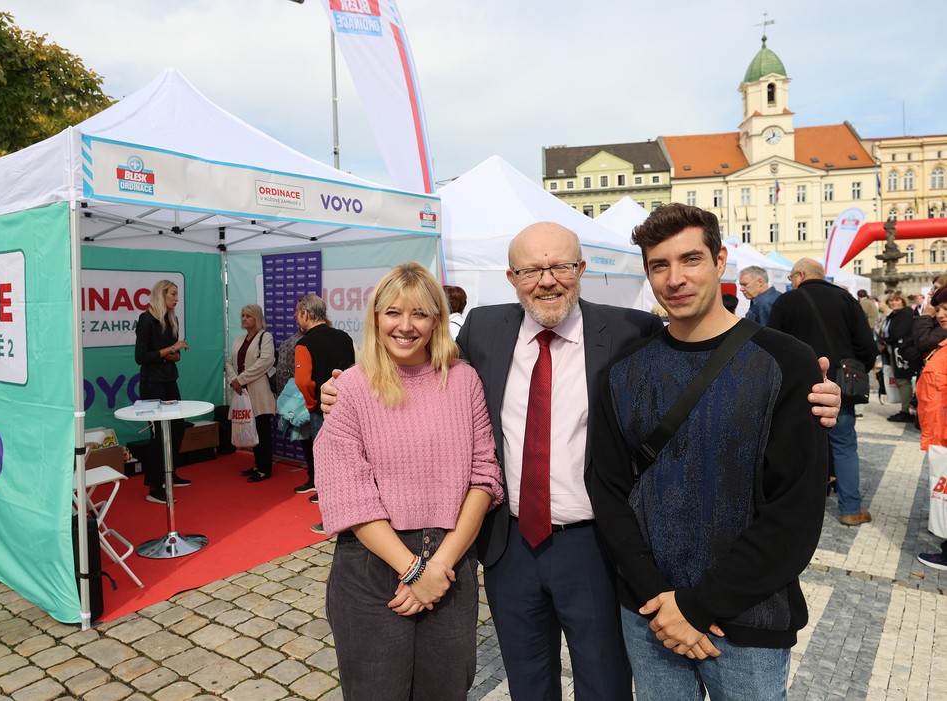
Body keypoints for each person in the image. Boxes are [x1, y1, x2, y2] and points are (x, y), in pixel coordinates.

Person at [321, 222, 841, 700]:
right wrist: (340, 387)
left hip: (594, 543)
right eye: (531, 270)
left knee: (604, 682)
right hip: (509, 545)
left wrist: (809, 387)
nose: (547, 281)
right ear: (512, 277)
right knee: (528, 681)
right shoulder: (483, 329)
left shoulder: (629, 329)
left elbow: (706, 350)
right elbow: (419, 363)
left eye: (561, 267)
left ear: (581, 270)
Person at [592, 203, 827, 701]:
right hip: (650, 614)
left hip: (746, 618)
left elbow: (795, 510)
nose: (675, 278)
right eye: (660, 265)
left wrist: (700, 605)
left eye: (690, 259)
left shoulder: (785, 361)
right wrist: (658, 599)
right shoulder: (625, 370)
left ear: (721, 262)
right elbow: (608, 488)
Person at [314, 262, 504, 700]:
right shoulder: (352, 389)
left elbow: (484, 475)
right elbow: (350, 496)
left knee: (448, 690)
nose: (405, 326)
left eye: (419, 313)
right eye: (393, 312)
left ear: (437, 319)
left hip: (450, 560)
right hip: (371, 564)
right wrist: (414, 568)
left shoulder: (463, 380)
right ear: (375, 318)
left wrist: (438, 566)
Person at [767, 259, 878, 526]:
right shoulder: (846, 299)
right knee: (844, 446)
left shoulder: (786, 302)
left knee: (798, 448)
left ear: (802, 275)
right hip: (837, 386)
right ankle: (851, 509)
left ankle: (796, 511)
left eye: (792, 277)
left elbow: (771, 347)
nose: (791, 282)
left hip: (796, 388)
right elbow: (866, 346)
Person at [295, 294, 355, 534]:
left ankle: (330, 520)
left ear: (306, 314)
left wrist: (312, 405)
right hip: (348, 408)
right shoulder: (344, 337)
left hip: (323, 410)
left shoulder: (304, 344)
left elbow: (302, 382)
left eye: (298, 313)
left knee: (326, 466)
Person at [134, 279, 191, 504]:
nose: (177, 299)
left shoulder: (171, 318)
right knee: (158, 434)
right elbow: (141, 357)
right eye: (173, 294)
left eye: (177, 295)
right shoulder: (146, 320)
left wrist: (174, 354)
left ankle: (169, 473)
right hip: (152, 384)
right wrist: (170, 349)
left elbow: (169, 352)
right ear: (162, 295)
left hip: (169, 379)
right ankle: (154, 486)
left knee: (177, 426)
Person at [915, 285, 947, 570]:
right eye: (939, 309)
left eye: (946, 309)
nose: (941, 315)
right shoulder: (944, 344)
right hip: (938, 433)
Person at [225, 305, 276, 481]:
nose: (244, 319)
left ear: (256, 318)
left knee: (262, 429)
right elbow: (229, 361)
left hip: (259, 391)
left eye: (248, 316)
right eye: (242, 315)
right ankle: (257, 464)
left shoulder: (265, 337)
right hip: (241, 391)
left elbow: (266, 361)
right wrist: (234, 380)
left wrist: (241, 379)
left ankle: (264, 469)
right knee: (249, 427)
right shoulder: (238, 340)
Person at [882, 292, 920, 422]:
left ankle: (906, 410)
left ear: (903, 301)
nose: (893, 303)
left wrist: (886, 340)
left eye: (897, 300)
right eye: (891, 301)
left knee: (903, 380)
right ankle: (905, 408)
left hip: (902, 351)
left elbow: (898, 333)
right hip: (894, 350)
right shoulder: (893, 314)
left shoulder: (905, 313)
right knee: (900, 380)